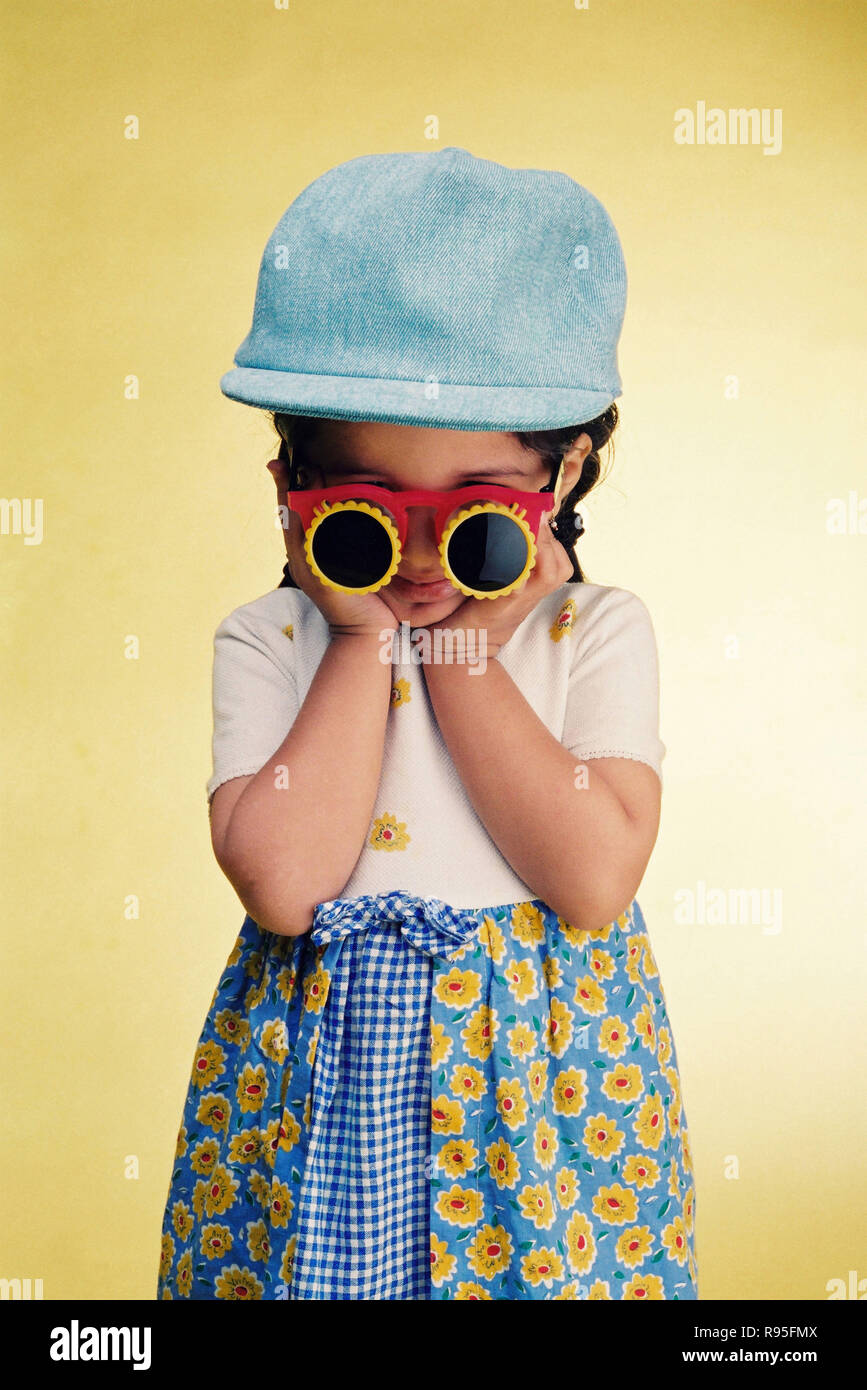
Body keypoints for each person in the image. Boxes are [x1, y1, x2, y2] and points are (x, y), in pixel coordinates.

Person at [156, 147, 698, 1300]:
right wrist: (360, 641)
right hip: (322, 1070)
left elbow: (594, 878)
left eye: (476, 518)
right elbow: (286, 886)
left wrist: (466, 651)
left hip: (544, 1079)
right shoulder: (272, 642)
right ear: (288, 486)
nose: (415, 560)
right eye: (364, 512)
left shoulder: (594, 634)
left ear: (565, 474)